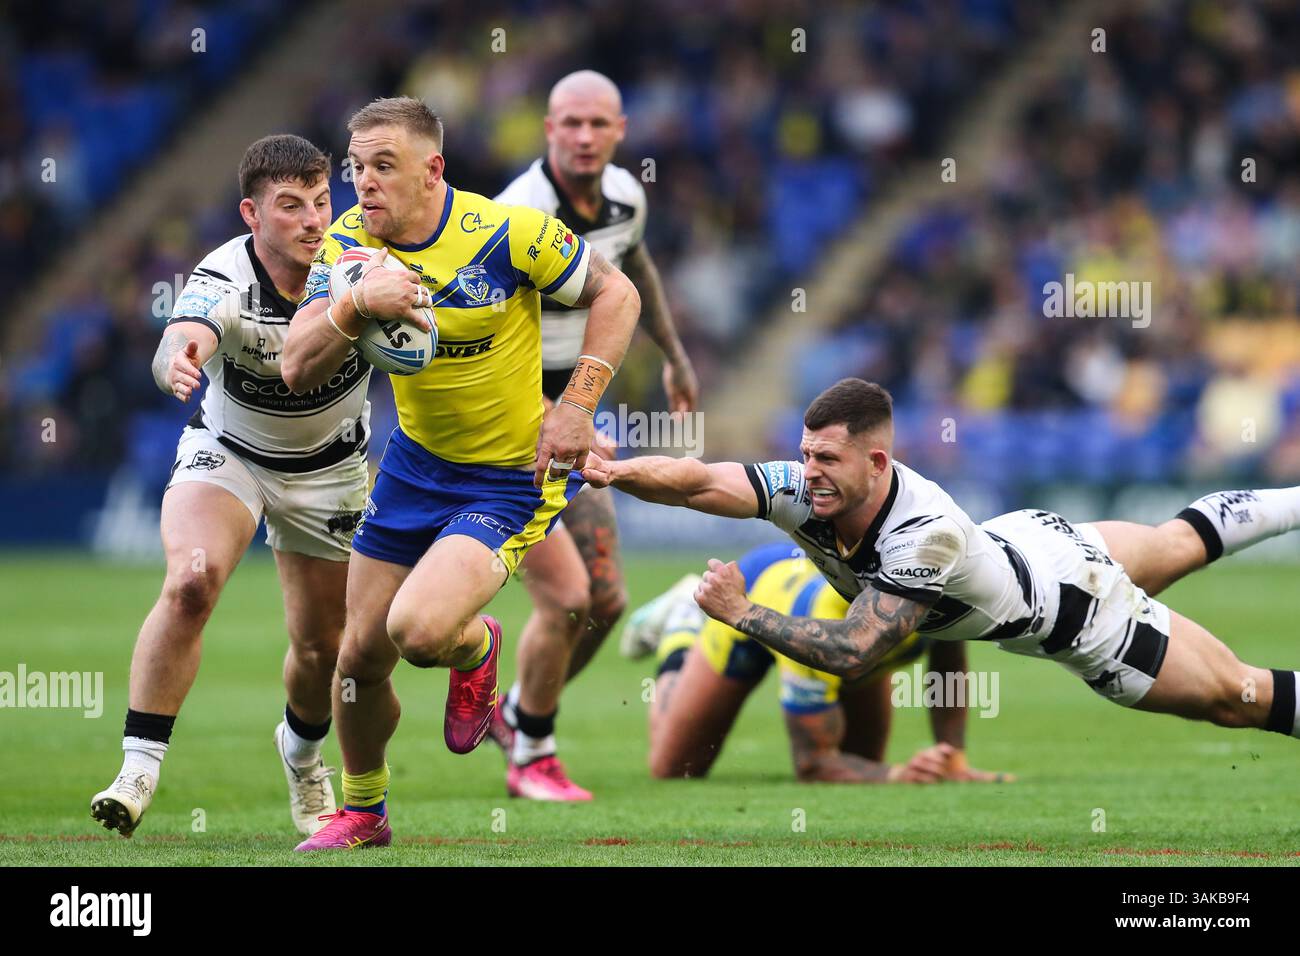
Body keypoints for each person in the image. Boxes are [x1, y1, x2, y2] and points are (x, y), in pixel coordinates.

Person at [583, 378, 1300, 760]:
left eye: (826, 460)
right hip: (1029, 543)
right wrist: (610, 470)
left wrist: (742, 614)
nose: (809, 475)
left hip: (1081, 615)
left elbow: (857, 654)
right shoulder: (806, 485)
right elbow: (695, 481)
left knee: (1239, 697)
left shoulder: (922, 537)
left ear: (878, 462)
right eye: (805, 455)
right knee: (1176, 543)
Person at [282, 97, 640, 852]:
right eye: (356, 169)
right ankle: (365, 812)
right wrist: (353, 305)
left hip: (508, 478)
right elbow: (295, 363)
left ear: (432, 170)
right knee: (358, 658)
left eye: (384, 166)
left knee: (415, 631)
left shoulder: (508, 234)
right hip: (413, 469)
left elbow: (619, 291)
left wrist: (577, 404)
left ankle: (475, 650)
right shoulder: (349, 245)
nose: (364, 185)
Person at [91, 134, 373, 838]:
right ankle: (138, 767)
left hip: (332, 472)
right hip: (230, 454)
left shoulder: (359, 263)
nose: (312, 220)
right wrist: (177, 360)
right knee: (191, 580)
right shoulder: (222, 274)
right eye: (290, 206)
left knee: (321, 649)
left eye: (320, 201)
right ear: (252, 214)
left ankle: (303, 756)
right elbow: (181, 336)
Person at [488, 70, 698, 800]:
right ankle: (518, 728)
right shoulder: (518, 210)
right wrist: (537, 410)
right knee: (553, 597)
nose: (582, 137)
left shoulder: (625, 197)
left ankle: (514, 714)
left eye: (596, 125)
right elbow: (482, 321)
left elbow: (633, 263)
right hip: (508, 407)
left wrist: (673, 356)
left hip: (570, 403)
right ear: (547, 128)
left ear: (620, 131)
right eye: (569, 123)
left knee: (600, 601)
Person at [628, 543, 1008, 783]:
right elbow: (812, 764)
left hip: (839, 628)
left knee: (861, 764)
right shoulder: (824, 619)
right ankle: (682, 621)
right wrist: (897, 774)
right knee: (676, 769)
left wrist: (952, 758)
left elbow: (948, 662)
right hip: (764, 599)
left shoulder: (940, 589)